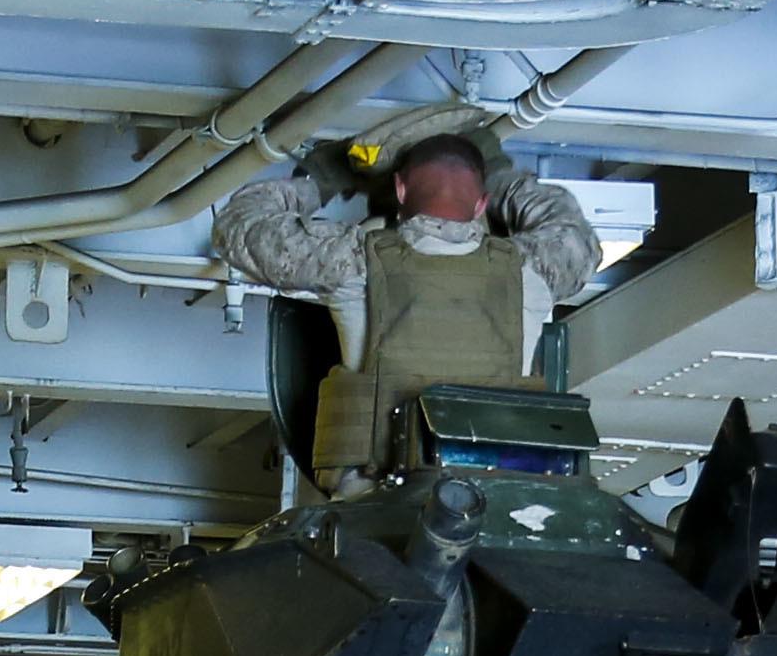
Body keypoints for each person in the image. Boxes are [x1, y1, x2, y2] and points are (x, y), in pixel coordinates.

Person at [207, 122, 604, 498]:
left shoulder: (355, 258)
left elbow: (240, 227)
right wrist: (499, 176)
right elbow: (575, 234)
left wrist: (321, 179)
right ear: (482, 204)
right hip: (501, 496)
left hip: (375, 498)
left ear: (399, 190)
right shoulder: (531, 268)